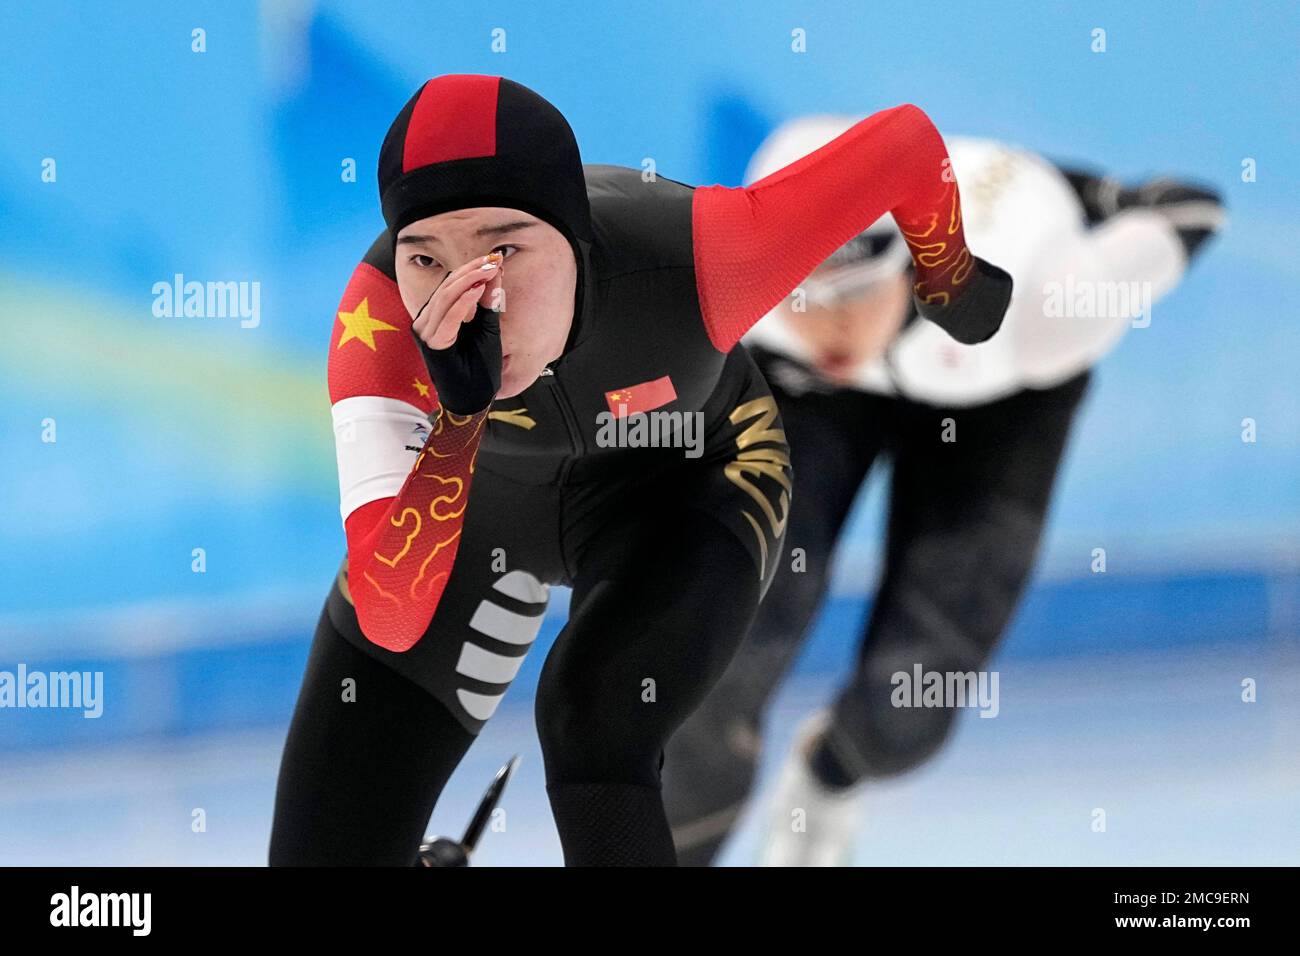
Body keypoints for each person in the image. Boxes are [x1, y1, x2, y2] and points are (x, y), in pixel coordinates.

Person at [266, 75, 1012, 866]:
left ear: (577, 234)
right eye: (426, 256)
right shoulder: (381, 329)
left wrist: (950, 280)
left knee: (593, 720)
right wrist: (458, 421)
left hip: (681, 482)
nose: (472, 295)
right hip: (478, 503)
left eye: (505, 248)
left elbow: (901, 146)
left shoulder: (702, 256)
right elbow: (391, 617)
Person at [660, 116, 1225, 866]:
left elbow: (1192, 209)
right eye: (805, 295)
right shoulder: (740, 279)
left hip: (996, 387)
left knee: (908, 709)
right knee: (719, 651)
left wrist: (1096, 194)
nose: (829, 326)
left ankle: (833, 772)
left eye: (854, 293)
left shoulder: (1049, 308)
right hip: (811, 403)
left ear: (910, 266)